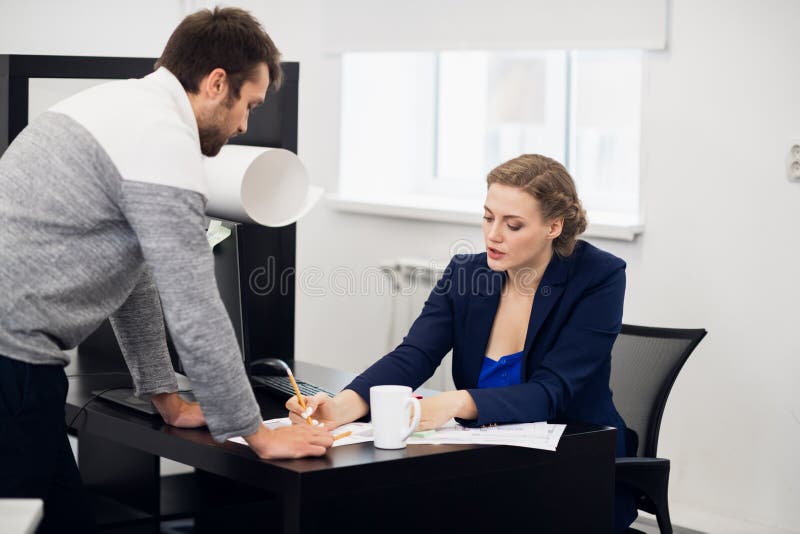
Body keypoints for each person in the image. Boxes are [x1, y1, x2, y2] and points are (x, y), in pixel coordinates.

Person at [0, 7, 332, 533]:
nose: (244, 125)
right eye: (247, 105)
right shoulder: (163, 139)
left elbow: (133, 274)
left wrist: (168, 401)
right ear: (216, 83)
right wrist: (258, 435)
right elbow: (194, 307)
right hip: (12, 366)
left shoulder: (117, 107)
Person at [287, 154, 638, 532]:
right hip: (485, 457)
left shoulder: (598, 277)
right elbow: (414, 355)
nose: (493, 235)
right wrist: (342, 406)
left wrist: (453, 403)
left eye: (513, 225)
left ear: (554, 226)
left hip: (576, 461)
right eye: (488, 217)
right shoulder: (466, 273)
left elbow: (551, 391)